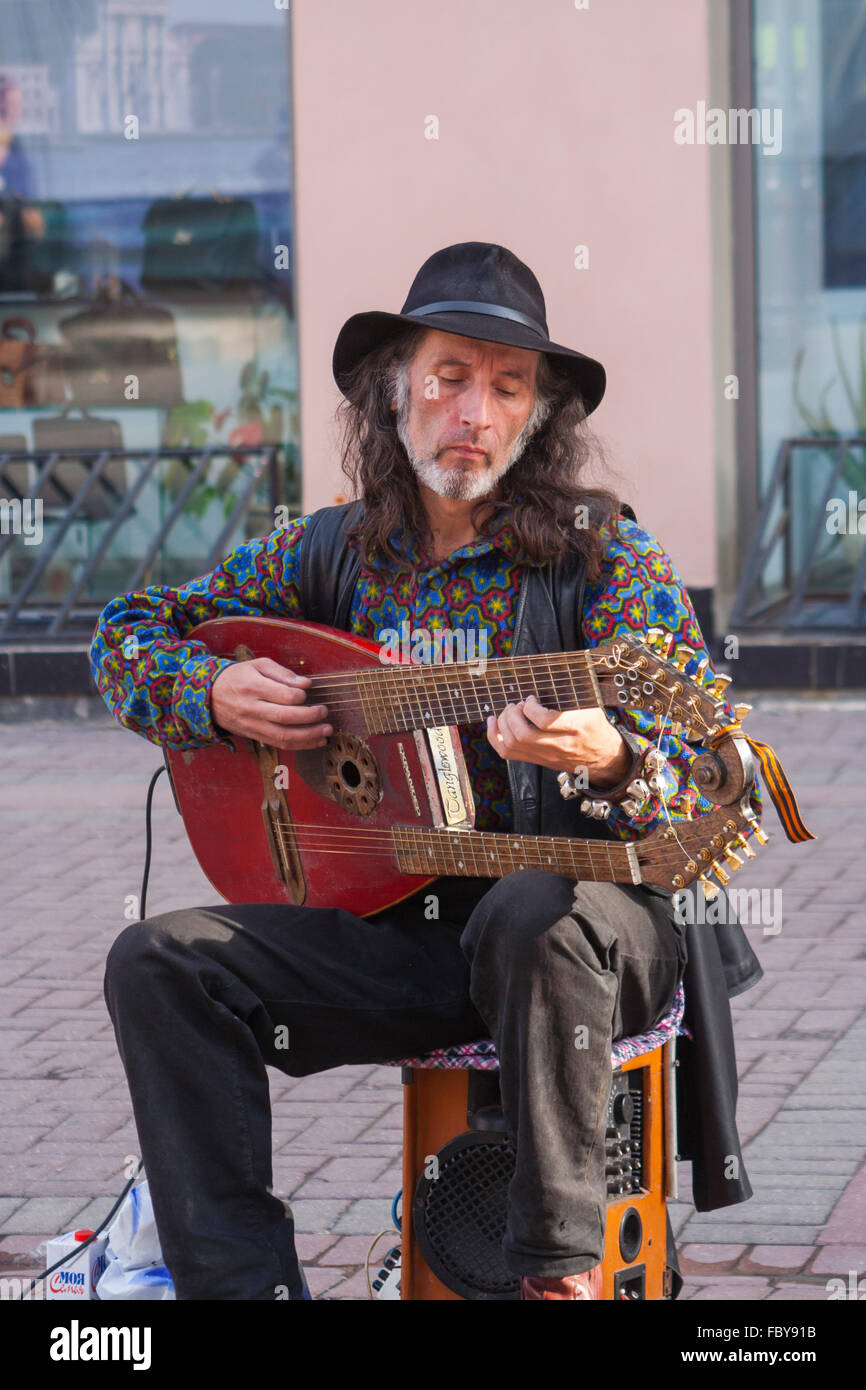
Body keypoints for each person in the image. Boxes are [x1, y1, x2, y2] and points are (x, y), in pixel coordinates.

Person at [89, 241, 763, 1301]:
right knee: (160, 963)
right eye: (449, 377)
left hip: (592, 927)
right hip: (408, 929)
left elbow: (711, 787)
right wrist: (206, 692)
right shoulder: (331, 552)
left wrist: (617, 753)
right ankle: (241, 1288)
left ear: (536, 417)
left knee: (529, 913)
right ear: (393, 388)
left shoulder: (600, 558)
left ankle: (558, 1268)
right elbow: (128, 629)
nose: (474, 413)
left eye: (507, 388)